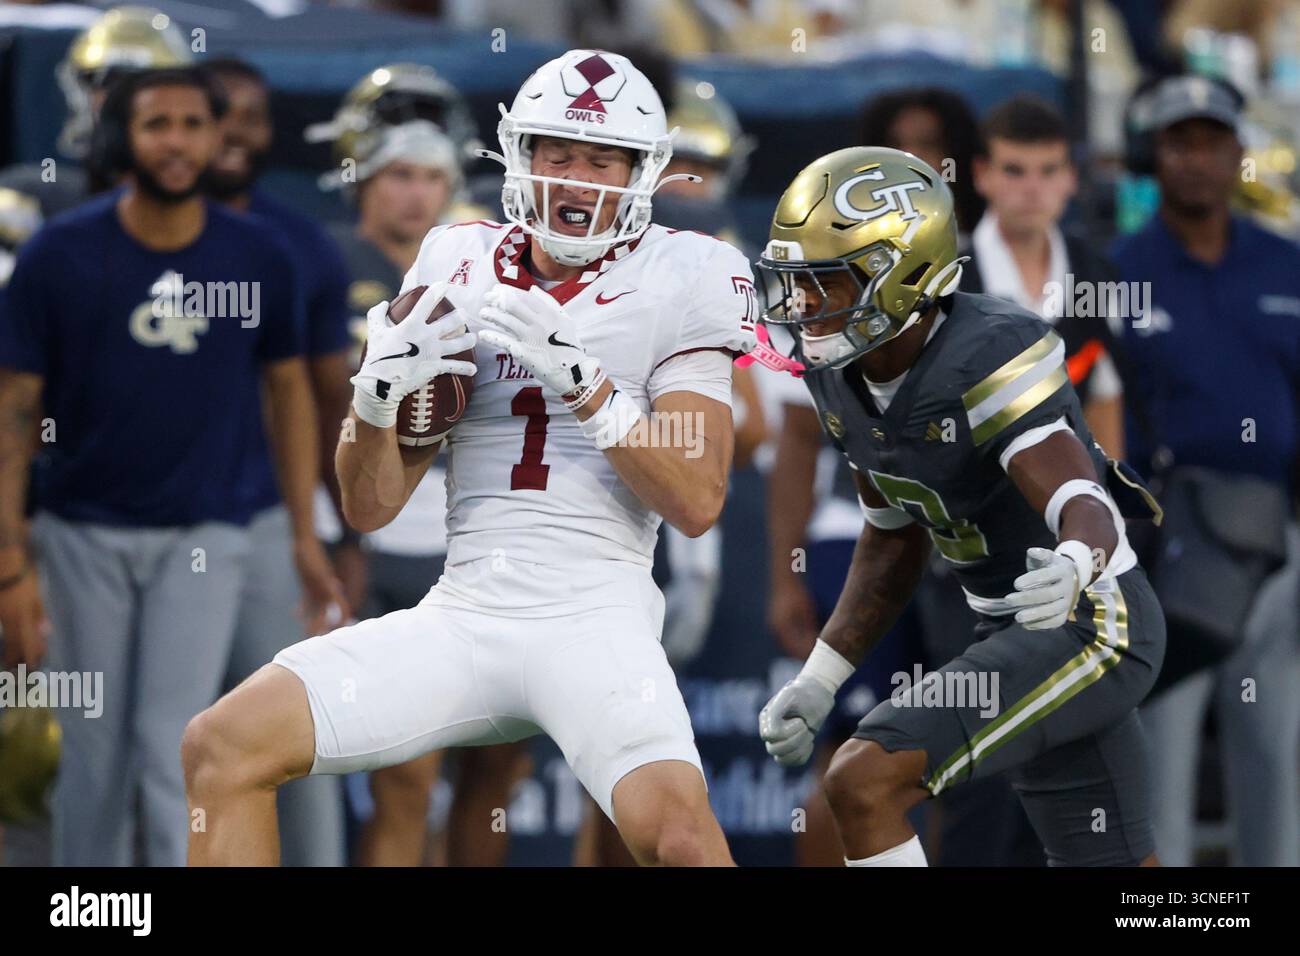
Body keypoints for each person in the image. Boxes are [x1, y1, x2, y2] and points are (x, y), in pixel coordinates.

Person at [184, 49, 756, 867]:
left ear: (643, 171)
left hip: (596, 617)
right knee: (222, 745)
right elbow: (371, 504)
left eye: (601, 160)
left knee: (678, 841)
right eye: (557, 153)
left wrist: (589, 386)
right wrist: (375, 402)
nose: (576, 179)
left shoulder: (686, 271)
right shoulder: (454, 258)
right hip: (464, 611)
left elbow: (698, 498)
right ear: (519, 156)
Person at [756, 146, 1165, 867]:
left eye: (828, 282)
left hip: (1090, 623)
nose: (805, 306)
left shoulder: (986, 350)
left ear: (905, 274)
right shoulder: (841, 375)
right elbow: (891, 540)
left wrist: (1072, 562)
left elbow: (1083, 499)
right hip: (1010, 624)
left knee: (861, 781)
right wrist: (822, 676)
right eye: (798, 283)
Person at [0, 66, 332, 866]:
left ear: (219, 138)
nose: (176, 142)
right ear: (122, 136)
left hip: (205, 534)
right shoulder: (61, 254)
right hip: (81, 532)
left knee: (172, 741)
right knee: (91, 752)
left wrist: (302, 534)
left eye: (192, 124)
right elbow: (13, 412)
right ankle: (93, 915)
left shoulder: (257, 255)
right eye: (156, 124)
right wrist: (10, 557)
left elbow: (290, 392)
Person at [320, 104, 530, 867]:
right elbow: (307, 403)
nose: (416, 195)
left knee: (496, 774)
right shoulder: (328, 261)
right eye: (398, 175)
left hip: (473, 538)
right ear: (363, 181)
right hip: (370, 531)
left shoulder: (485, 272)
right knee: (405, 778)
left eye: (432, 177)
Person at [1115, 74, 1300, 867]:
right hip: (1169, 539)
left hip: (1280, 534)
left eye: (1211, 142)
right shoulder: (1117, 267)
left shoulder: (1285, 264)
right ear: (1152, 158)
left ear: (1237, 155)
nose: (1196, 160)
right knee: (1163, 744)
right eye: (1177, 143)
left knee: (1275, 747)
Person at [203, 56, 352, 868]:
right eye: (213, 113)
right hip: (125, 522)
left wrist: (339, 537)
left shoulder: (296, 246)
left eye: (251, 117)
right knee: (145, 738)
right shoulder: (110, 232)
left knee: (299, 730)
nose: (233, 132)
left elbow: (331, 403)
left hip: (270, 515)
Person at [0, 6, 192, 216]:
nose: (120, 96)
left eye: (143, 83)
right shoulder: (36, 190)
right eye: (105, 80)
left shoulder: (205, 189)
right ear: (80, 88)